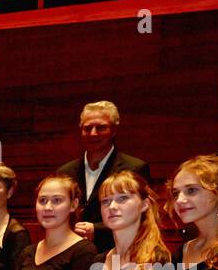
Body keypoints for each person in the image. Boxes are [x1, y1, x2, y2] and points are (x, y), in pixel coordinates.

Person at [56, 101, 151, 250]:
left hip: (118, 252)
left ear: (114, 130)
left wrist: (97, 230)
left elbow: (143, 218)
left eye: (101, 127)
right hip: (72, 252)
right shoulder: (65, 172)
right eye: (87, 128)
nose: (93, 133)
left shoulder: (134, 168)